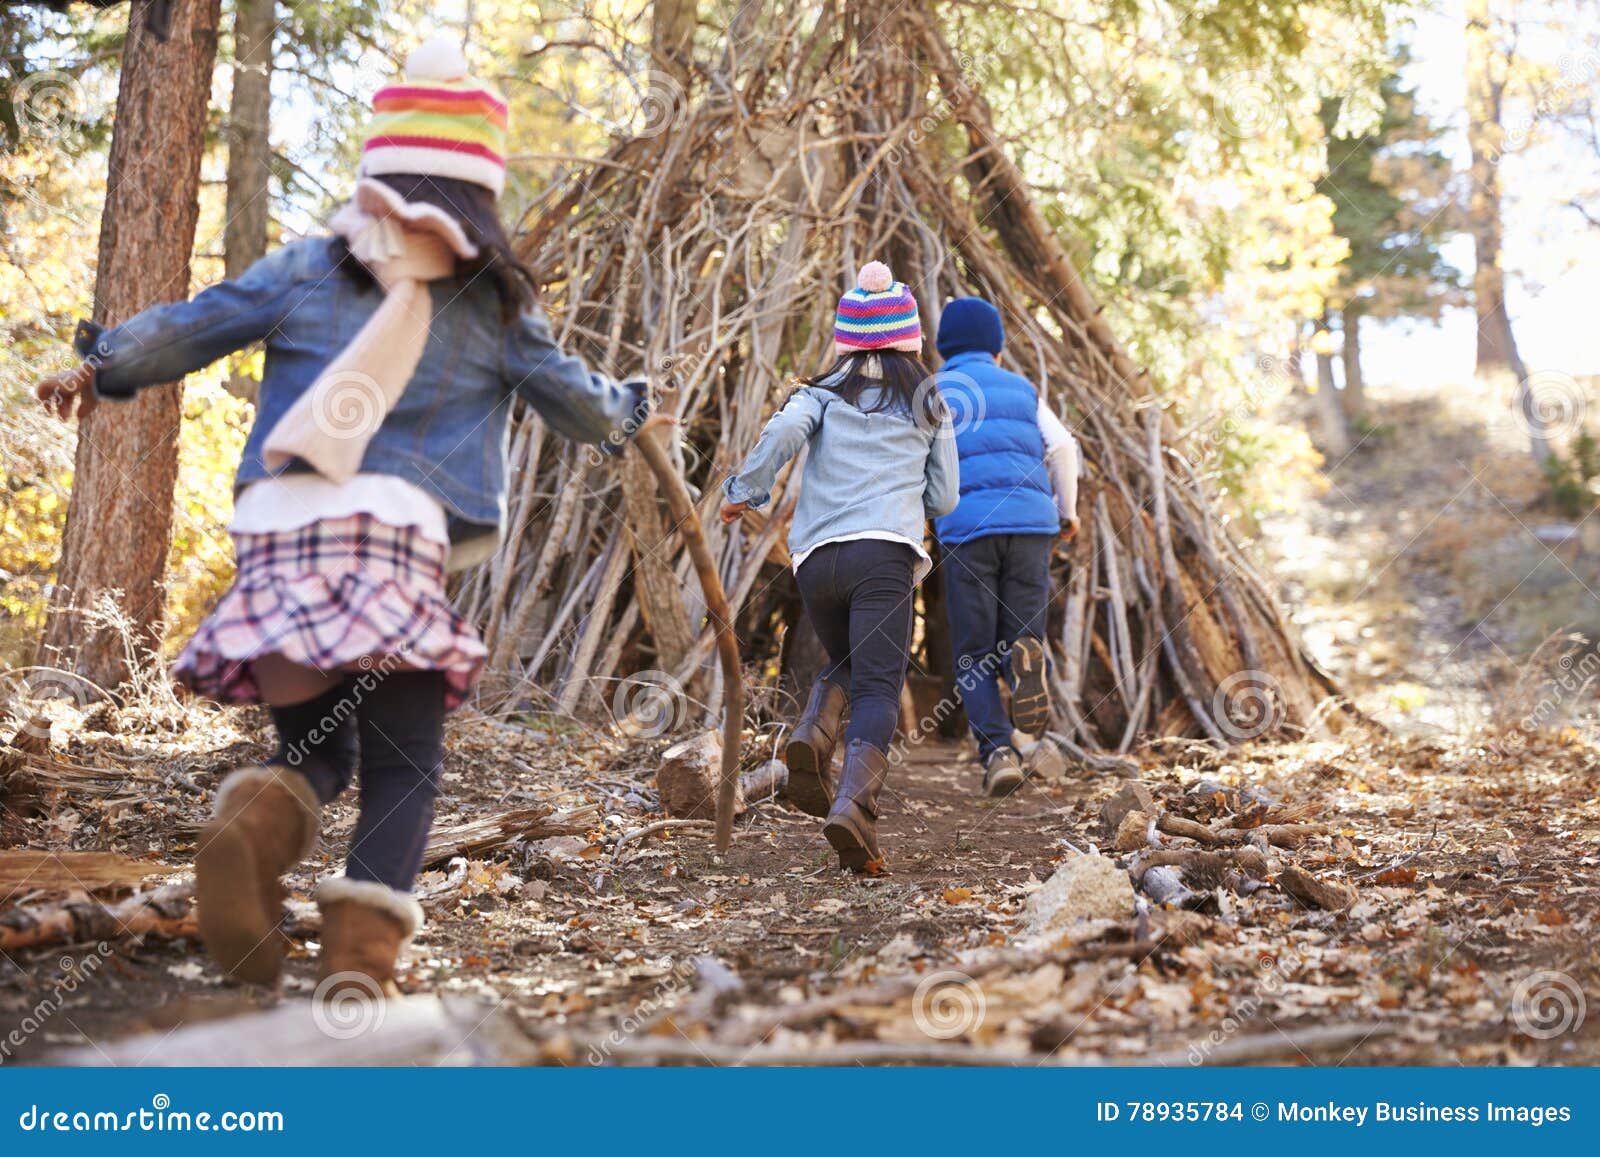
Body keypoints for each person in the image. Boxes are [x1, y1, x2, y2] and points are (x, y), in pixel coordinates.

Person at [36, 38, 646, 995]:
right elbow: (572, 400)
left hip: (280, 532)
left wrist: (100, 363)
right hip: (392, 538)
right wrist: (626, 411)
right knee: (404, 763)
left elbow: (199, 321)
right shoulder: (491, 303)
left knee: (314, 751)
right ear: (478, 190)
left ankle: (250, 831)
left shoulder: (308, 265)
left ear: (378, 170)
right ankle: (359, 967)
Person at [720, 262, 958, 870]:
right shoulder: (928, 398)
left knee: (848, 663)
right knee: (879, 684)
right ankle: (854, 807)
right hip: (884, 555)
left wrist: (743, 491)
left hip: (815, 561)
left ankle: (812, 735)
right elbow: (946, 498)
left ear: (847, 341)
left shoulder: (819, 394)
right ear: (909, 339)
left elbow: (781, 435)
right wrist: (915, 503)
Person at [931, 296, 1080, 796]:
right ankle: (1025, 669)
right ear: (996, 350)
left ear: (943, 348)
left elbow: (917, 462)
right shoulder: (1022, 389)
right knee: (1022, 632)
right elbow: (1061, 446)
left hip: (967, 530)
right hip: (1031, 526)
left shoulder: (936, 391)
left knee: (973, 651)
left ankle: (997, 753)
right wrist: (1067, 511)